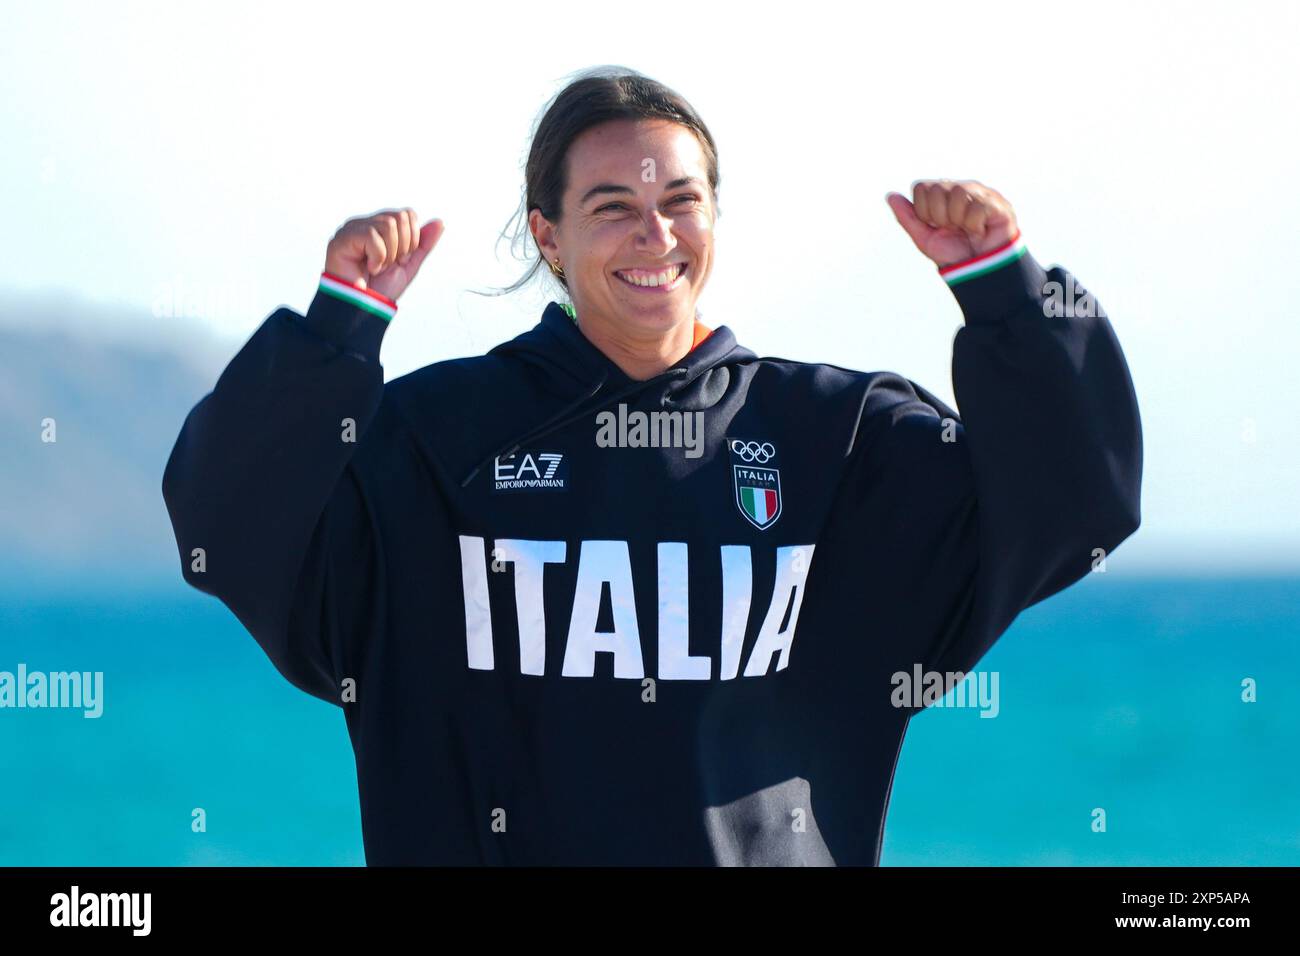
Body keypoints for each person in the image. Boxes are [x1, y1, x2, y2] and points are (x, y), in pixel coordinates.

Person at [161, 66, 1142, 865]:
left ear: (715, 216)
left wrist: (1007, 292)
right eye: (612, 205)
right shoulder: (431, 438)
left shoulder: (838, 438)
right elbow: (224, 527)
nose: (654, 233)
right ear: (548, 234)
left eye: (680, 200)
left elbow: (1073, 499)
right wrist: (336, 330)